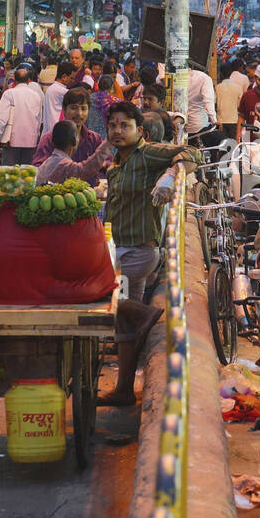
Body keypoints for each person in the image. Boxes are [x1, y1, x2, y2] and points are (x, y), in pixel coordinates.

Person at [99, 102, 200, 407]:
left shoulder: (147, 154)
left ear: (139, 130)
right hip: (121, 247)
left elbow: (191, 154)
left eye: (124, 125)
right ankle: (124, 389)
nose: (118, 131)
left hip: (138, 251)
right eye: (113, 125)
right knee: (125, 328)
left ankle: (145, 313)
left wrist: (171, 175)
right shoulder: (117, 162)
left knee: (107, 300)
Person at [0, 64, 45, 165]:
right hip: (31, 140)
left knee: (9, 172)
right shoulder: (36, 96)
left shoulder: (9, 94)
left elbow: (1, 118)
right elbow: (39, 120)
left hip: (11, 140)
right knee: (26, 173)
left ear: (15, 80)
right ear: (28, 80)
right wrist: (36, 136)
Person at [34, 88, 101, 167]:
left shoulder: (94, 139)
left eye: (83, 109)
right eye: (74, 108)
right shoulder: (49, 139)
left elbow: (104, 165)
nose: (79, 113)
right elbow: (38, 167)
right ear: (64, 109)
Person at [35, 120, 114, 185]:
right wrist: (108, 142)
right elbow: (86, 169)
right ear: (74, 141)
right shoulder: (63, 165)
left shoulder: (48, 162)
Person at [184, 64, 217, 138]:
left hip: (177, 126)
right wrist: (214, 121)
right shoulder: (204, 78)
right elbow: (208, 101)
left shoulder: (173, 76)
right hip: (199, 127)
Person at [215, 63, 245, 139]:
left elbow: (213, 104)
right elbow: (240, 105)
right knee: (233, 145)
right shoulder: (238, 88)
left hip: (220, 122)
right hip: (234, 121)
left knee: (222, 145)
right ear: (231, 73)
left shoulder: (217, 88)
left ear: (220, 74)